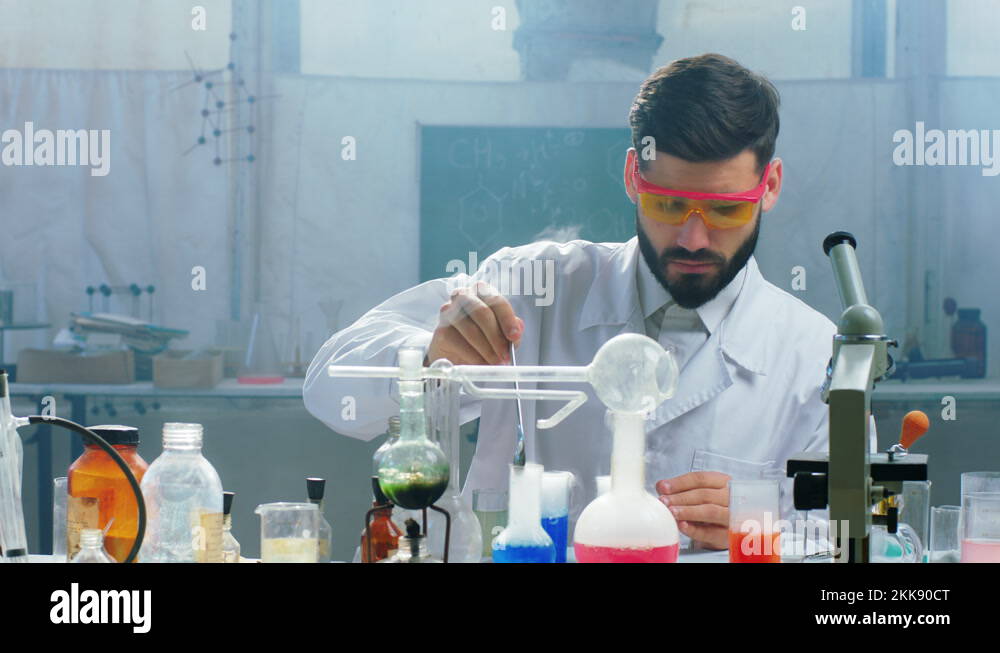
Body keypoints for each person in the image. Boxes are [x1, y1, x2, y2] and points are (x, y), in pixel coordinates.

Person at [305, 53, 866, 551]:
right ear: (632, 177)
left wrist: (756, 520)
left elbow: (848, 538)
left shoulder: (815, 354)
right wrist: (431, 355)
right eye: (669, 205)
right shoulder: (535, 285)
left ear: (768, 187)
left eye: (724, 210)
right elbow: (329, 387)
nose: (694, 239)